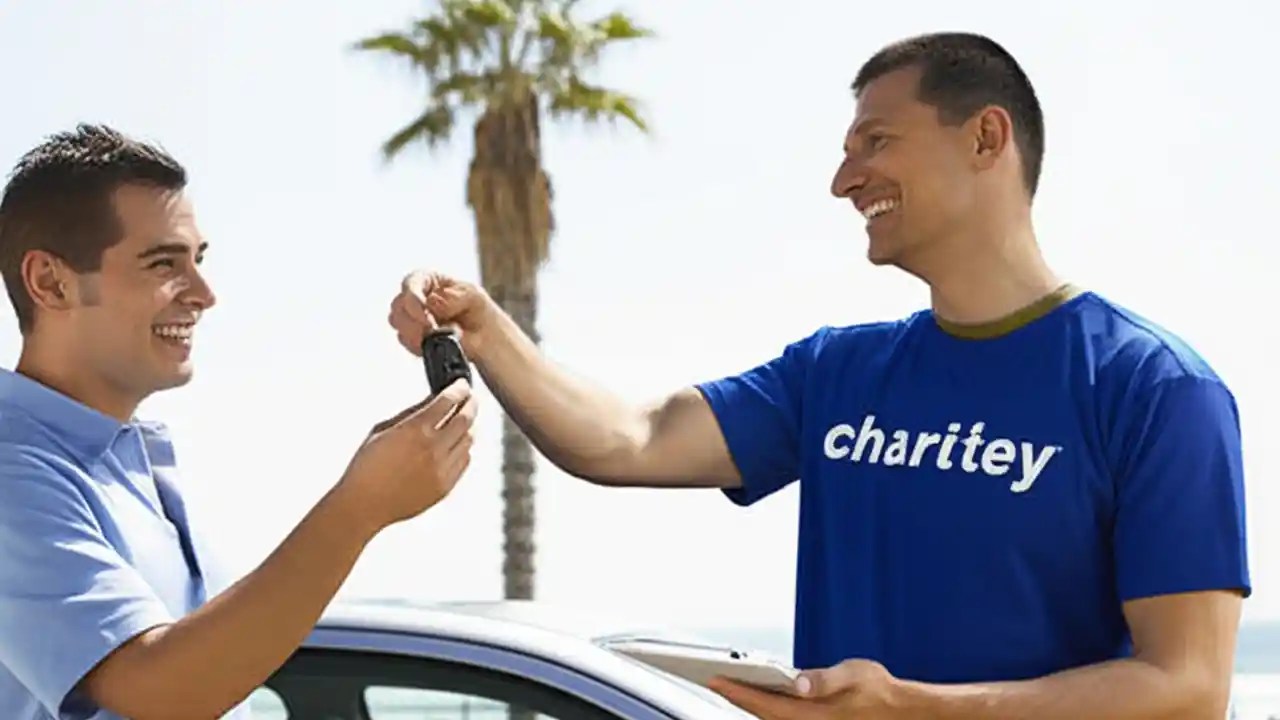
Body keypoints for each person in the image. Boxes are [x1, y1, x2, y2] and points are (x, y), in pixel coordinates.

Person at [387, 31, 1250, 719]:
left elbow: (1186, 688)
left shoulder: (1158, 391)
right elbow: (629, 439)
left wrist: (910, 711)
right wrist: (489, 332)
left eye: (876, 142)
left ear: (987, 137)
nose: (844, 180)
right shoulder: (839, 371)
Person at [0, 124, 478, 720]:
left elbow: (215, 666)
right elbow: (163, 690)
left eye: (197, 260)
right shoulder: (12, 472)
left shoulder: (129, 462)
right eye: (162, 264)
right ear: (50, 281)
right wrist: (362, 506)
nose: (204, 293)